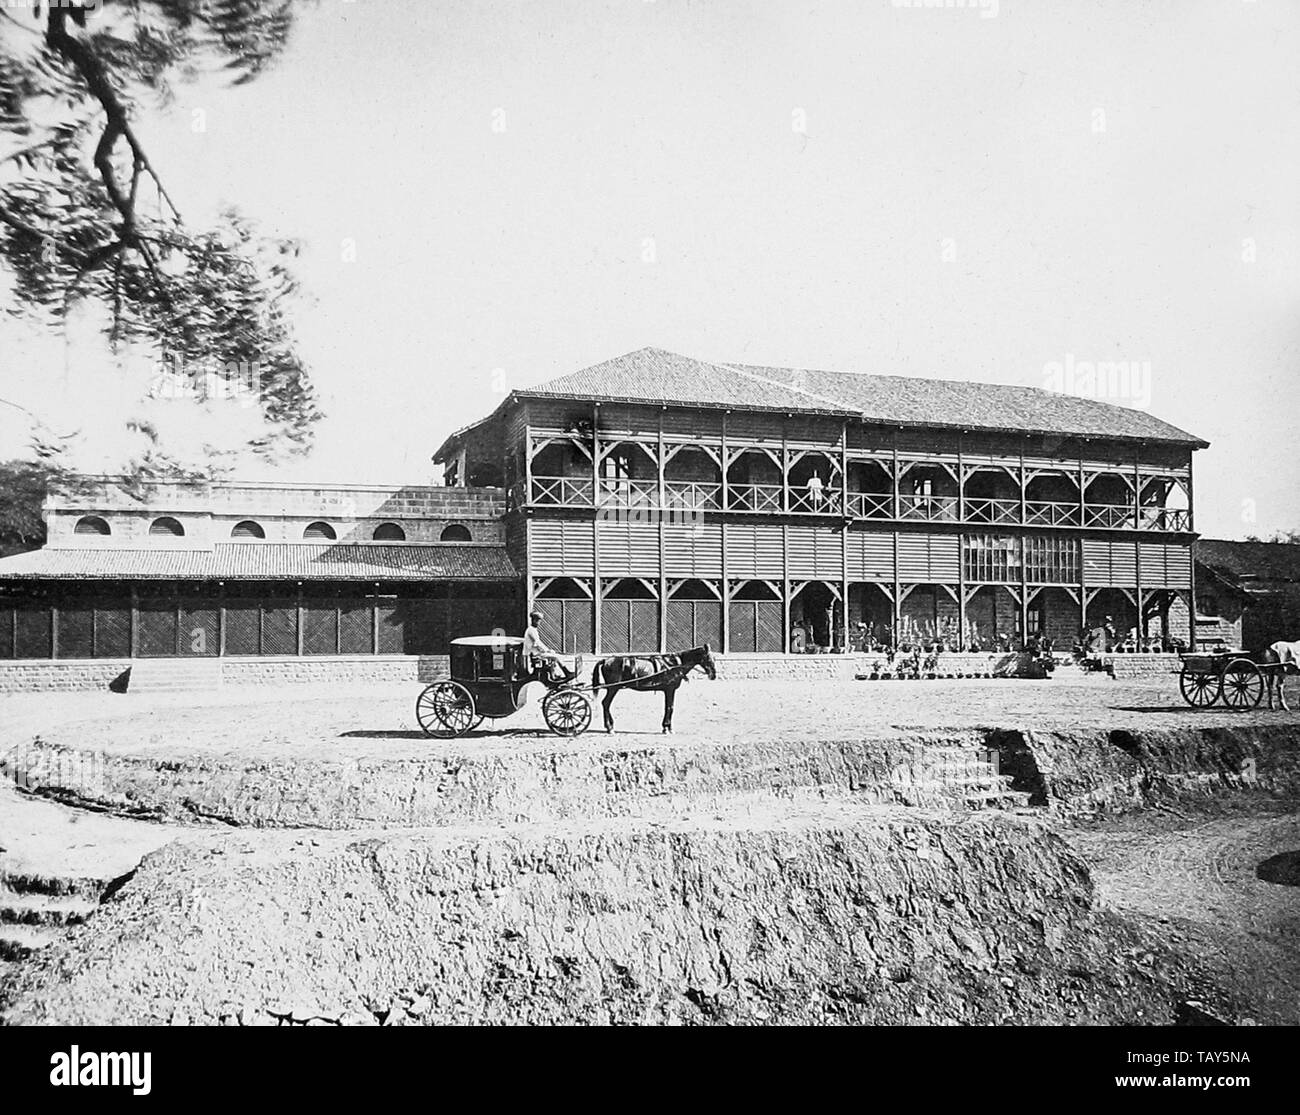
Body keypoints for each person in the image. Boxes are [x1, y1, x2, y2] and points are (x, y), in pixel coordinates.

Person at [522, 610, 573, 683]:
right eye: (537, 620)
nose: (539, 623)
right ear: (533, 620)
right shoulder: (531, 630)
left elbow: (537, 644)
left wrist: (547, 650)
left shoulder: (533, 629)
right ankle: (567, 673)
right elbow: (538, 642)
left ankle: (554, 674)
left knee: (554, 656)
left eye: (539, 621)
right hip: (535, 655)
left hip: (536, 653)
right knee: (556, 657)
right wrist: (547, 650)